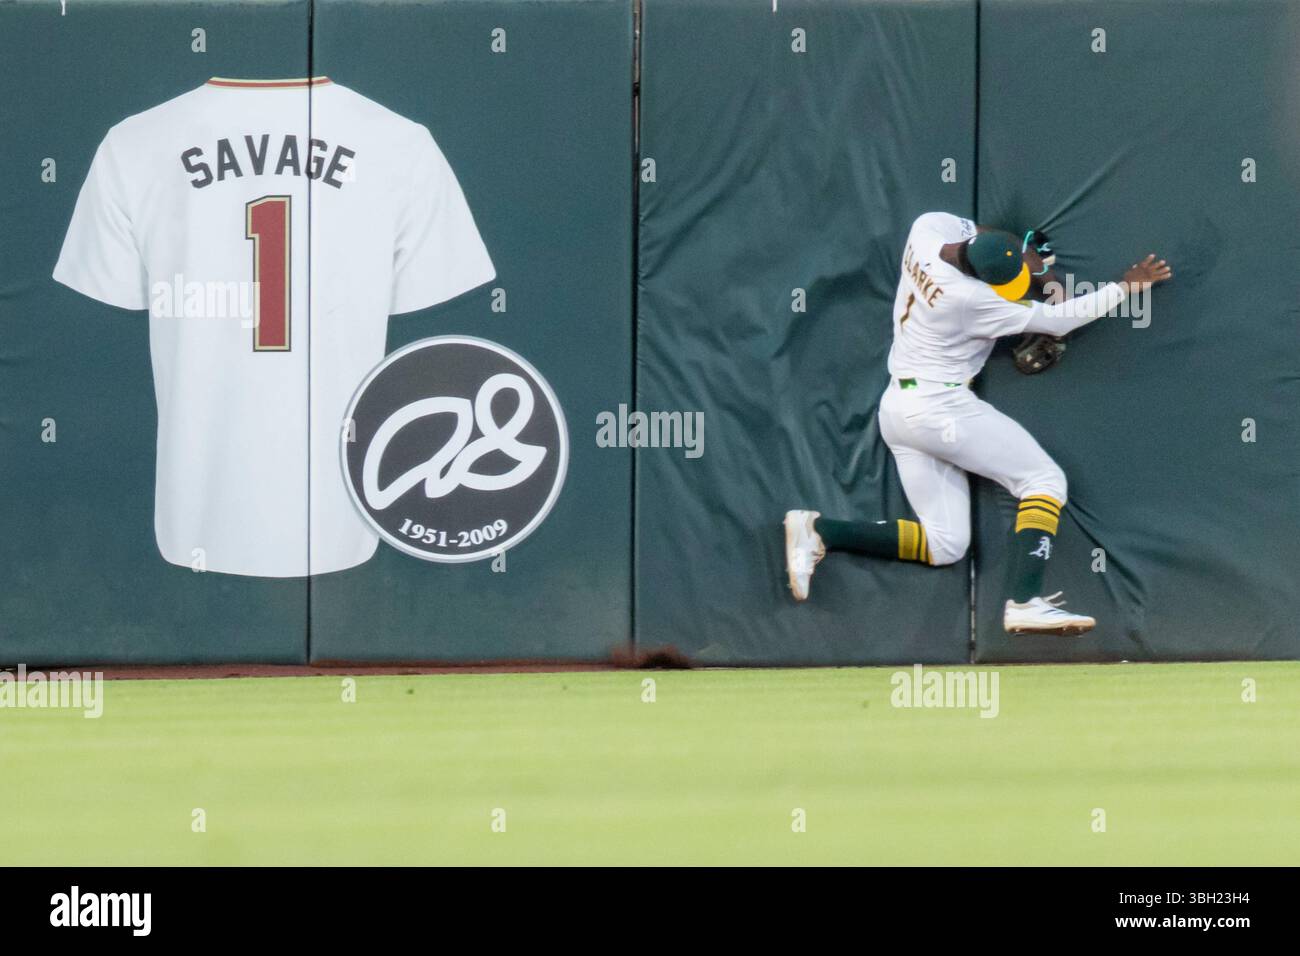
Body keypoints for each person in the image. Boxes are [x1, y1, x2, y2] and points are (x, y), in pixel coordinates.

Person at [783, 212, 1172, 634]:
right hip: (941, 407)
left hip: (899, 408)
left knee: (944, 544)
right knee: (1043, 480)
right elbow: (1059, 320)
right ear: (978, 275)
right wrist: (1128, 286)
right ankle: (1025, 602)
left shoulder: (925, 231)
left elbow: (985, 236)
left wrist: (1030, 263)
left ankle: (820, 529)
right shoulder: (969, 299)